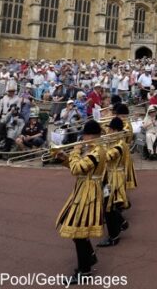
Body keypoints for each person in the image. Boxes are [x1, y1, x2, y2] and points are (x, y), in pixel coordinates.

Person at [55, 120, 105, 285]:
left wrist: (75, 151)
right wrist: (64, 158)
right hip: (82, 190)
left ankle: (85, 271)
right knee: (78, 231)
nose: (82, 138)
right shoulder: (91, 149)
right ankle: (89, 259)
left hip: (89, 193)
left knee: (78, 231)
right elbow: (77, 168)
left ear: (90, 135)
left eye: (84, 135)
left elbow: (78, 169)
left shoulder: (97, 151)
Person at [98, 117, 130, 247]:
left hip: (115, 177)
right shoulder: (114, 140)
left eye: (110, 129)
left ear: (115, 130)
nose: (108, 131)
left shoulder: (120, 144)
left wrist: (97, 148)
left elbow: (108, 156)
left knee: (108, 207)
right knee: (108, 206)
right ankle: (122, 223)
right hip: (109, 175)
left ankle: (113, 236)